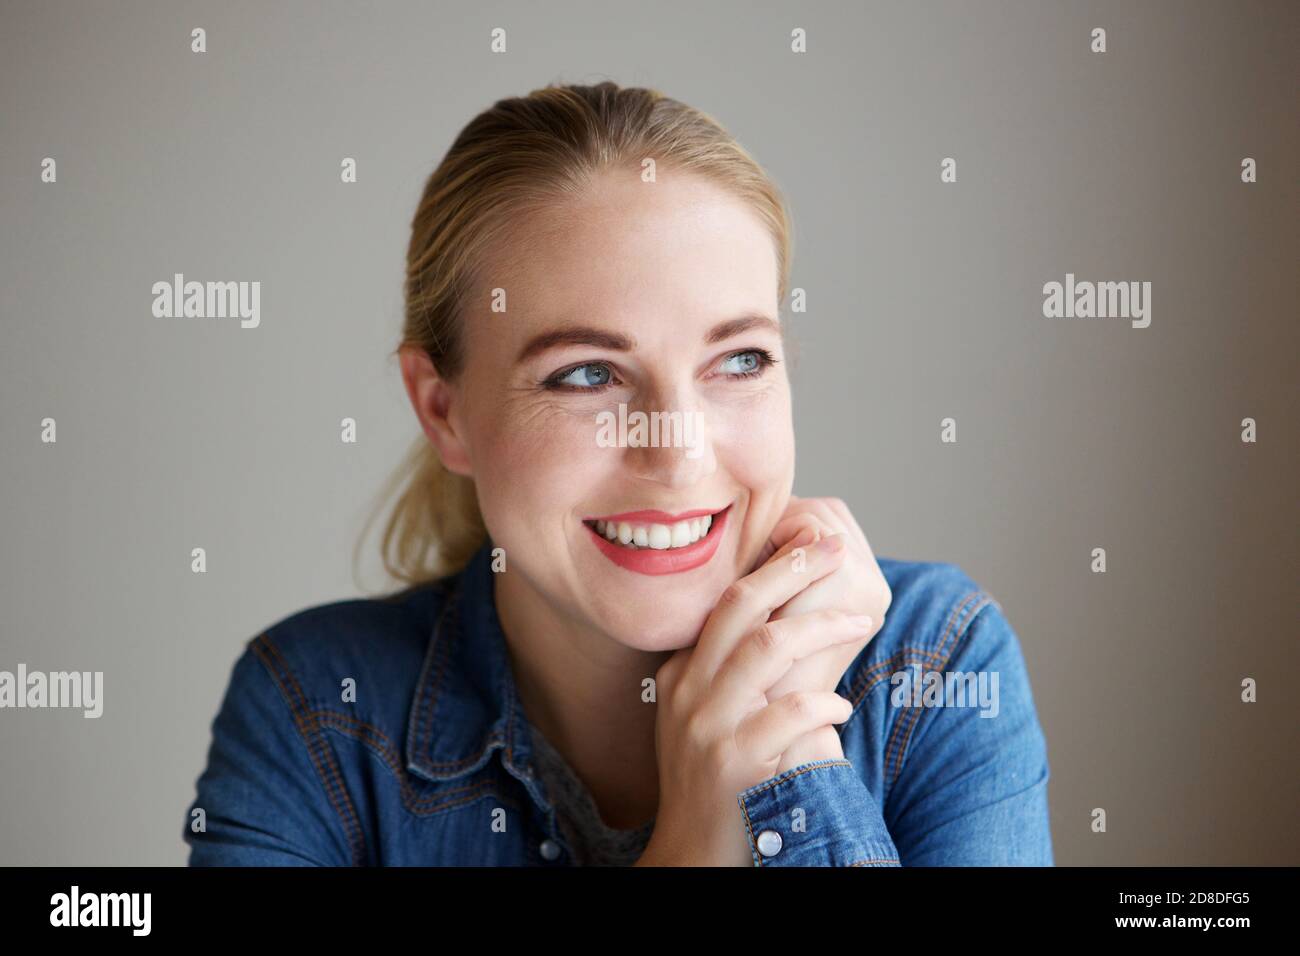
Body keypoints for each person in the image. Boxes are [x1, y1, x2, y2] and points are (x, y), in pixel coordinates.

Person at [183, 81, 1053, 866]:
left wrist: (795, 767)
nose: (678, 453)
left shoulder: (935, 663)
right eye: (587, 375)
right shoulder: (314, 710)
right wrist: (695, 841)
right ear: (444, 410)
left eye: (740, 360)